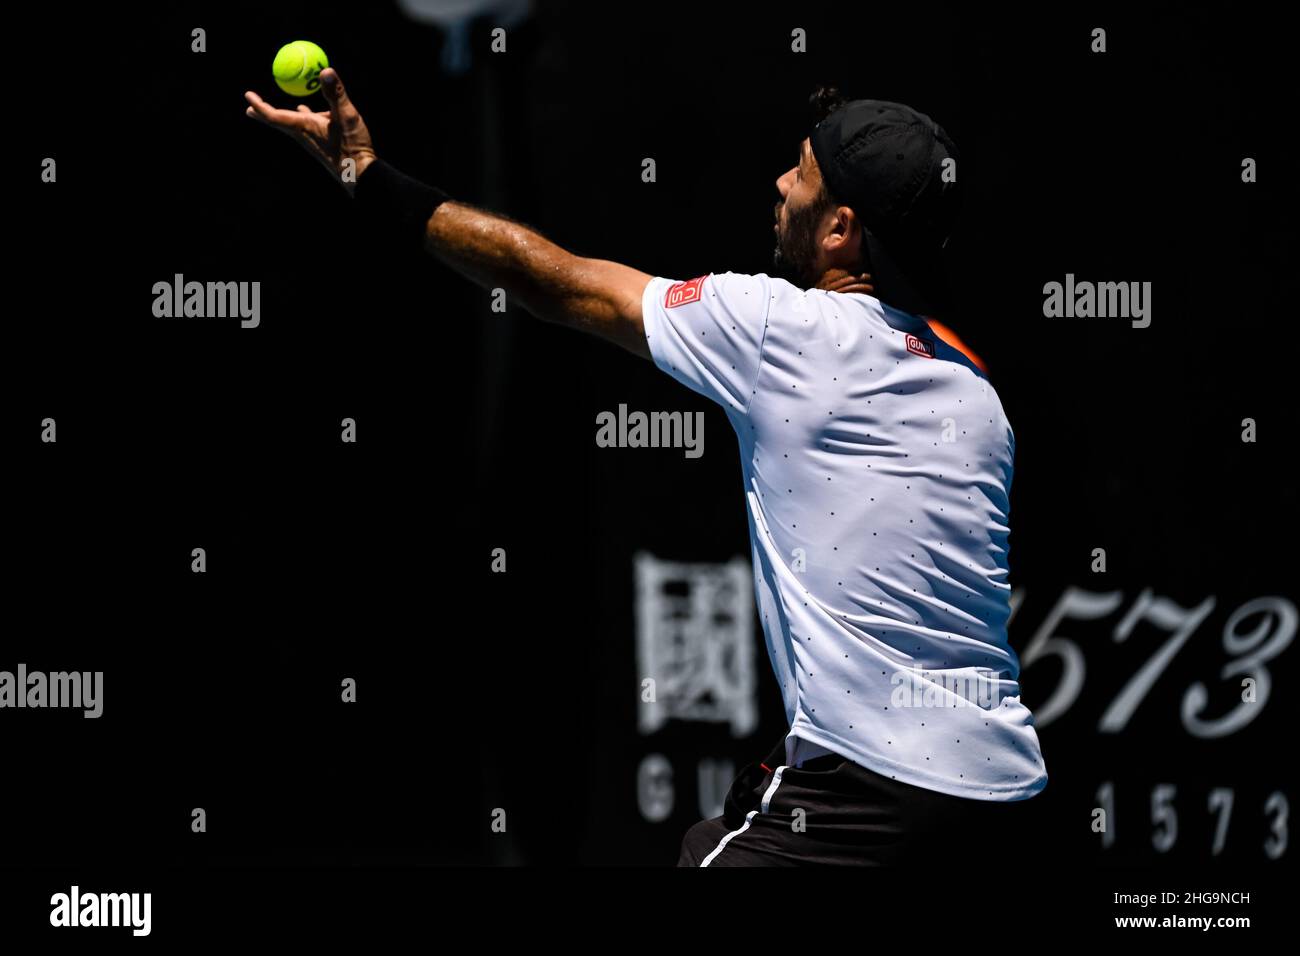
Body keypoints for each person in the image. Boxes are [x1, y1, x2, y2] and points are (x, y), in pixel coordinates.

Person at [245, 71, 1048, 866]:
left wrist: (369, 177)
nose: (779, 182)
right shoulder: (977, 392)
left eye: (800, 172)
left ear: (840, 229)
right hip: (1003, 798)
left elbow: (551, 281)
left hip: (864, 794)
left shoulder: (783, 328)